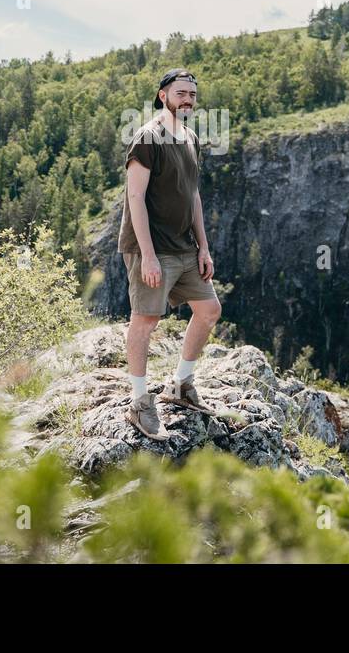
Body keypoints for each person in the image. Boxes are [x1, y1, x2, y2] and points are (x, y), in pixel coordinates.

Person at [118, 68, 221, 440]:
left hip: (184, 248)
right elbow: (135, 198)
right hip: (152, 249)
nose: (188, 100)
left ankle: (179, 385)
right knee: (146, 320)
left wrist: (204, 247)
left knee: (209, 310)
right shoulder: (147, 138)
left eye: (192, 94)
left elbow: (193, 196)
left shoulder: (191, 138)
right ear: (163, 96)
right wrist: (147, 254)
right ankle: (139, 402)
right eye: (181, 93)